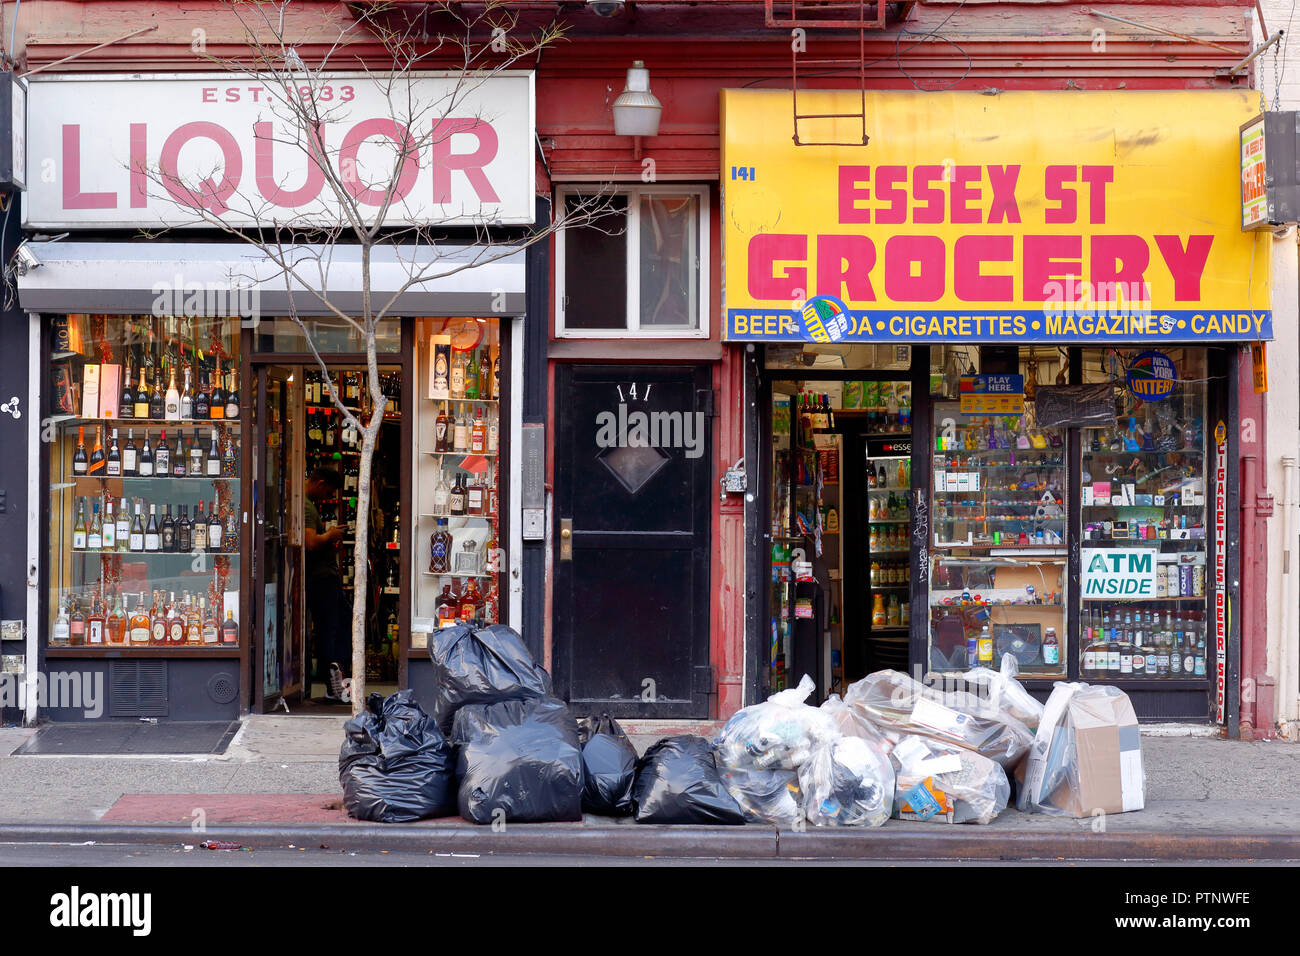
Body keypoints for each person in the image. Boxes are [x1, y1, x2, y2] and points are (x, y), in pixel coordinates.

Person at [304, 467, 349, 700]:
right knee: (332, 629)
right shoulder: (307, 507)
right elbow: (310, 542)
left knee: (333, 627)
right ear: (320, 483)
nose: (327, 496)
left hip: (320, 578)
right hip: (321, 579)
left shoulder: (305, 503)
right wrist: (330, 535)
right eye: (328, 491)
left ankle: (334, 679)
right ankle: (334, 682)